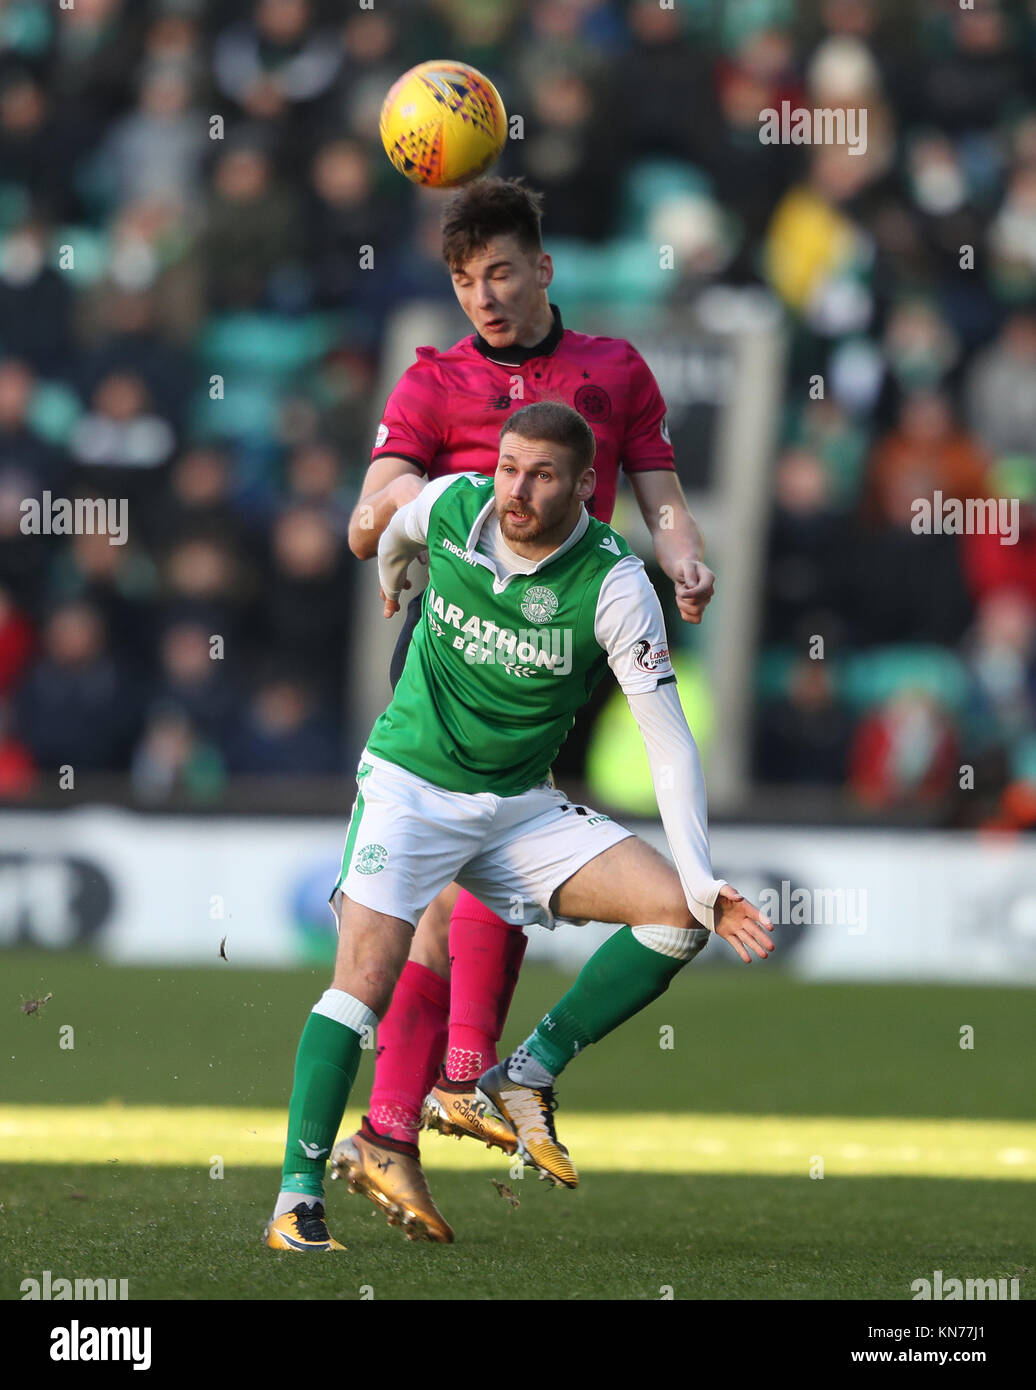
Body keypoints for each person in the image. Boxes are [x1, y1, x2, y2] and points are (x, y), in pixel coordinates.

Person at [265, 402, 773, 1251]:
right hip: (411, 789)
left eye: (541, 475)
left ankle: (524, 1072)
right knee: (364, 983)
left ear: (585, 486)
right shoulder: (455, 504)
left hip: (518, 807)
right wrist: (395, 575)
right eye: (509, 467)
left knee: (677, 917)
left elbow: (669, 741)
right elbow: (398, 528)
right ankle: (296, 1199)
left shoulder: (614, 583)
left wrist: (700, 875)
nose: (517, 490)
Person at [339, 176, 718, 1239]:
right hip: (460, 646)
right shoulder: (434, 379)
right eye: (464, 280)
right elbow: (377, 495)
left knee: (500, 858)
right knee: (438, 892)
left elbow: (659, 486)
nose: (484, 298)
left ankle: (436, 1096)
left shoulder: (615, 370)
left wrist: (682, 549)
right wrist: (385, 529)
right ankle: (416, 1109)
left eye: (500, 272)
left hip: (568, 641)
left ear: (543, 268)